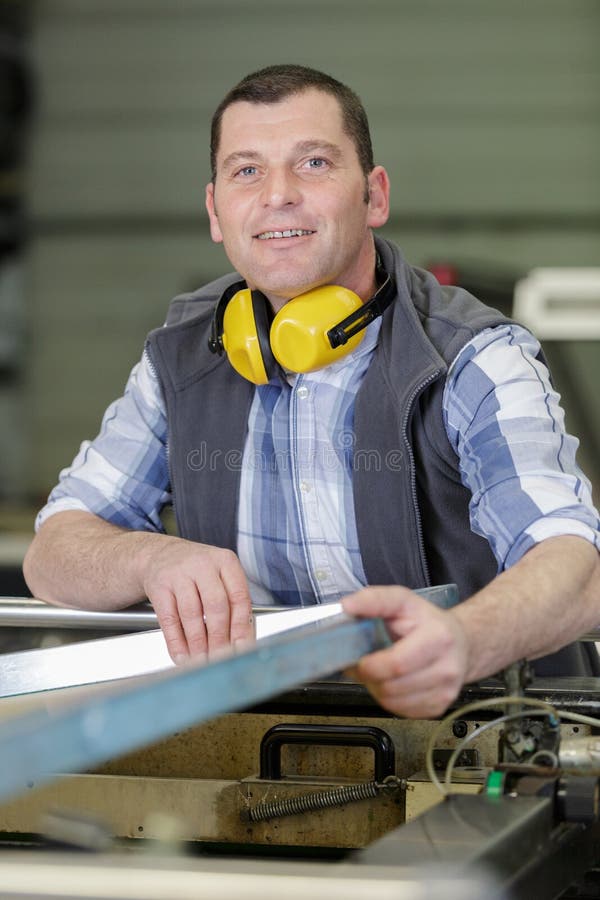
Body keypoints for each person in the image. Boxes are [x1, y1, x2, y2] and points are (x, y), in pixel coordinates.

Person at [23, 65, 600, 719]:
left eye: (314, 163)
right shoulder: (180, 359)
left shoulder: (471, 356)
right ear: (215, 211)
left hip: (482, 730)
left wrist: (464, 640)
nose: (278, 195)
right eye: (246, 171)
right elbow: (52, 554)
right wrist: (146, 556)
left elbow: (575, 563)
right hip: (266, 734)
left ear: (373, 196)